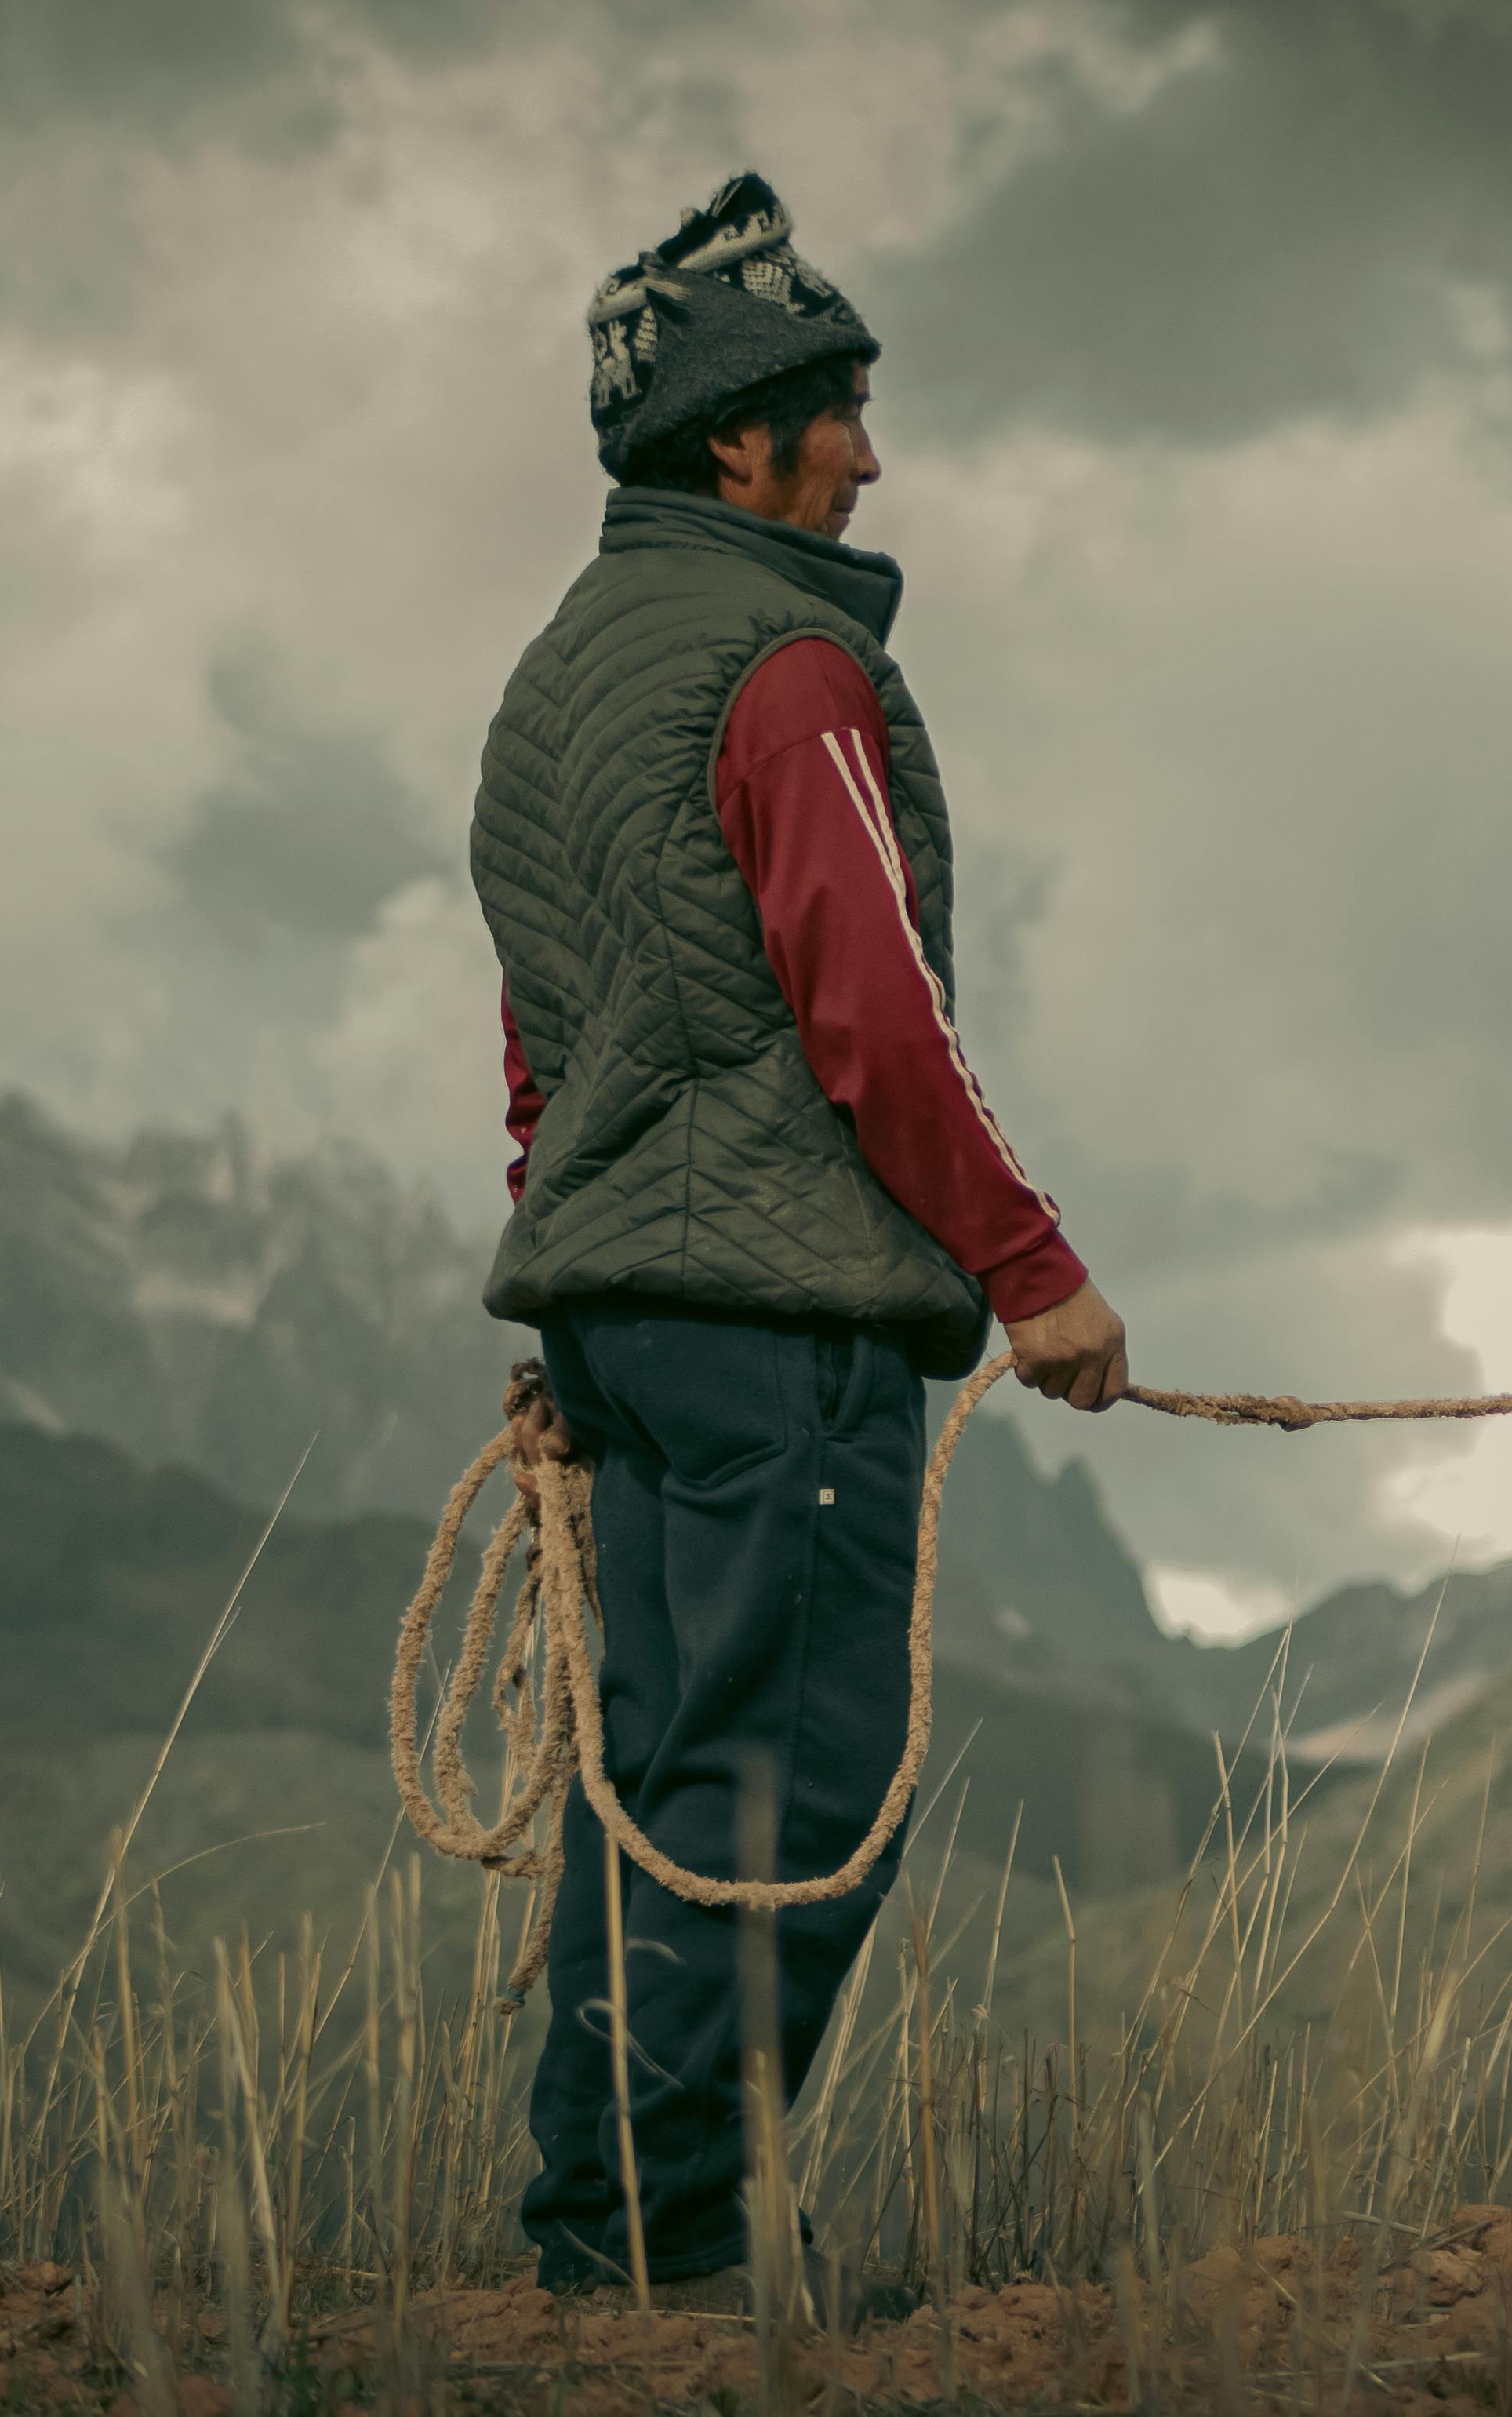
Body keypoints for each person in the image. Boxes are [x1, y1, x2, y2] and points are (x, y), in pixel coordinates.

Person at [469, 170, 1129, 2311]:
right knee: (791, 1787)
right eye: (841, 409)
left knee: (648, 1780)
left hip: (632, 1321)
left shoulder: (558, 681)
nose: (871, 451)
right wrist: (1033, 1273)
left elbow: (545, 1043)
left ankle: (603, 2241)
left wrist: (569, 1277)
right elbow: (872, 1015)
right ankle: (677, 2259)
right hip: (779, 1327)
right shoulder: (790, 671)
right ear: (737, 446)